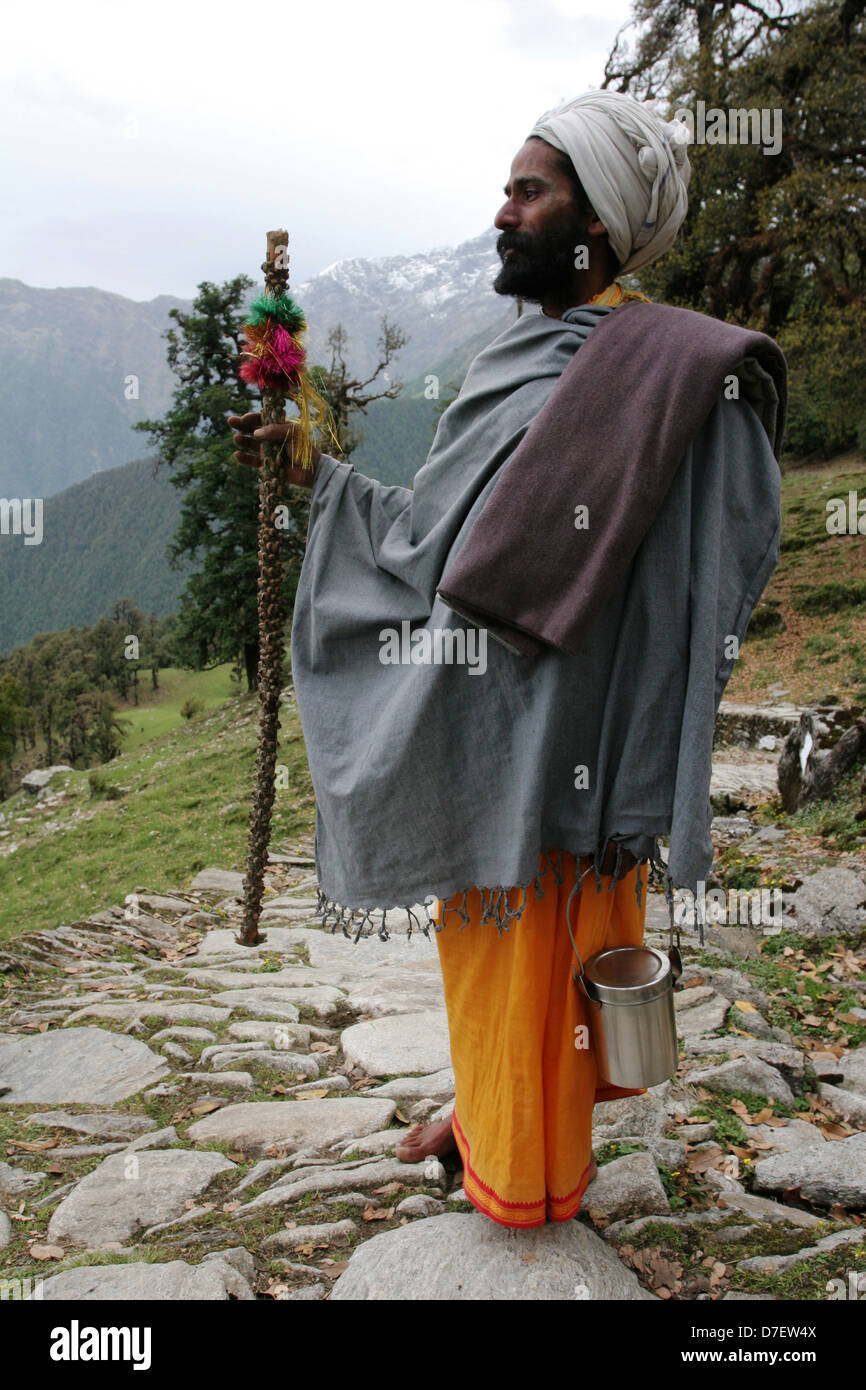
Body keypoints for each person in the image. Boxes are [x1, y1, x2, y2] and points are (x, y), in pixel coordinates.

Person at [230, 91, 783, 1228]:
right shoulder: (523, 356)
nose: (503, 212)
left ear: (597, 221)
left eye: (530, 191)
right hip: (505, 721)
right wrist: (314, 470)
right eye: (506, 188)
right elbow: (445, 548)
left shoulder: (673, 370)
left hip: (573, 738)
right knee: (507, 968)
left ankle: (521, 1201)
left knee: (531, 951)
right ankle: (492, 1123)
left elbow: (719, 553)